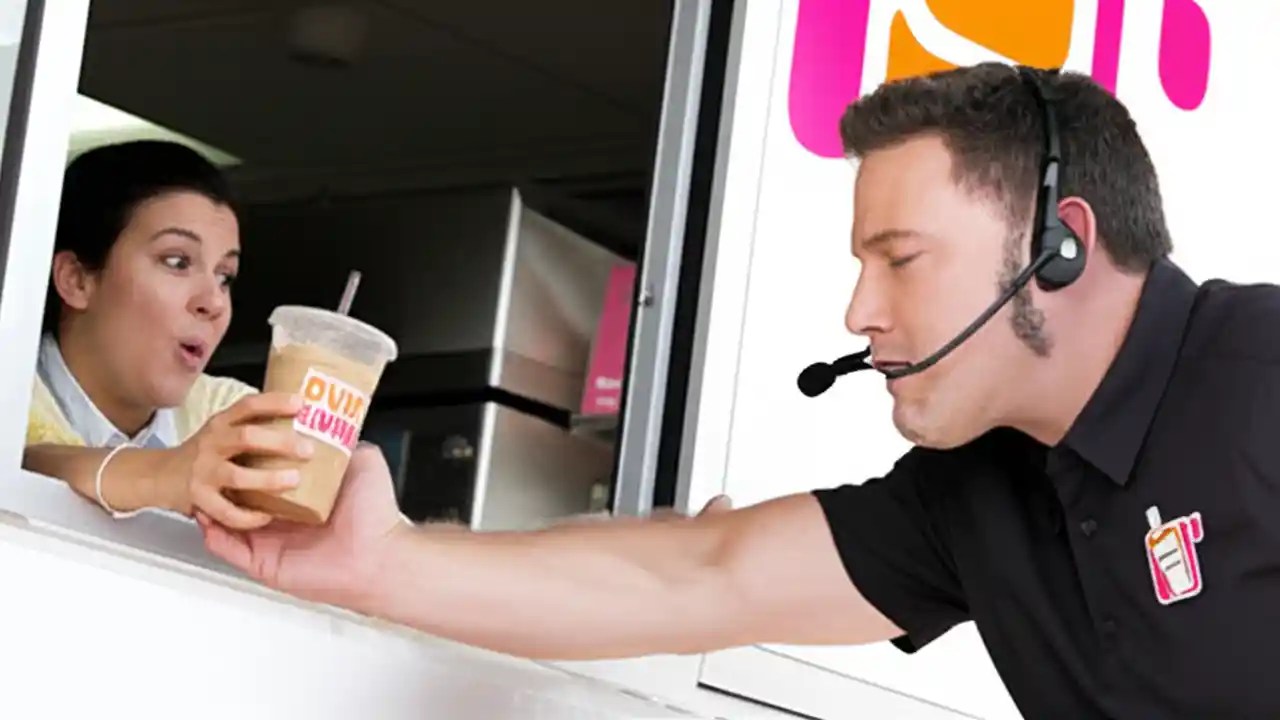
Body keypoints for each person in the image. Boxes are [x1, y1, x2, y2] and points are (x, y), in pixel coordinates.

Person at [199, 63, 1280, 718]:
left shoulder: (1259, 377)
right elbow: (696, 578)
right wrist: (380, 564)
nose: (859, 312)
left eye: (901, 260)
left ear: (1057, 246)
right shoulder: (977, 492)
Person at [23, 140, 312, 529]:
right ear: (76, 280)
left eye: (225, 277)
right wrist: (163, 474)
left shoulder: (225, 413)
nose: (214, 302)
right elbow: (20, 463)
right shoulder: (11, 393)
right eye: (177, 262)